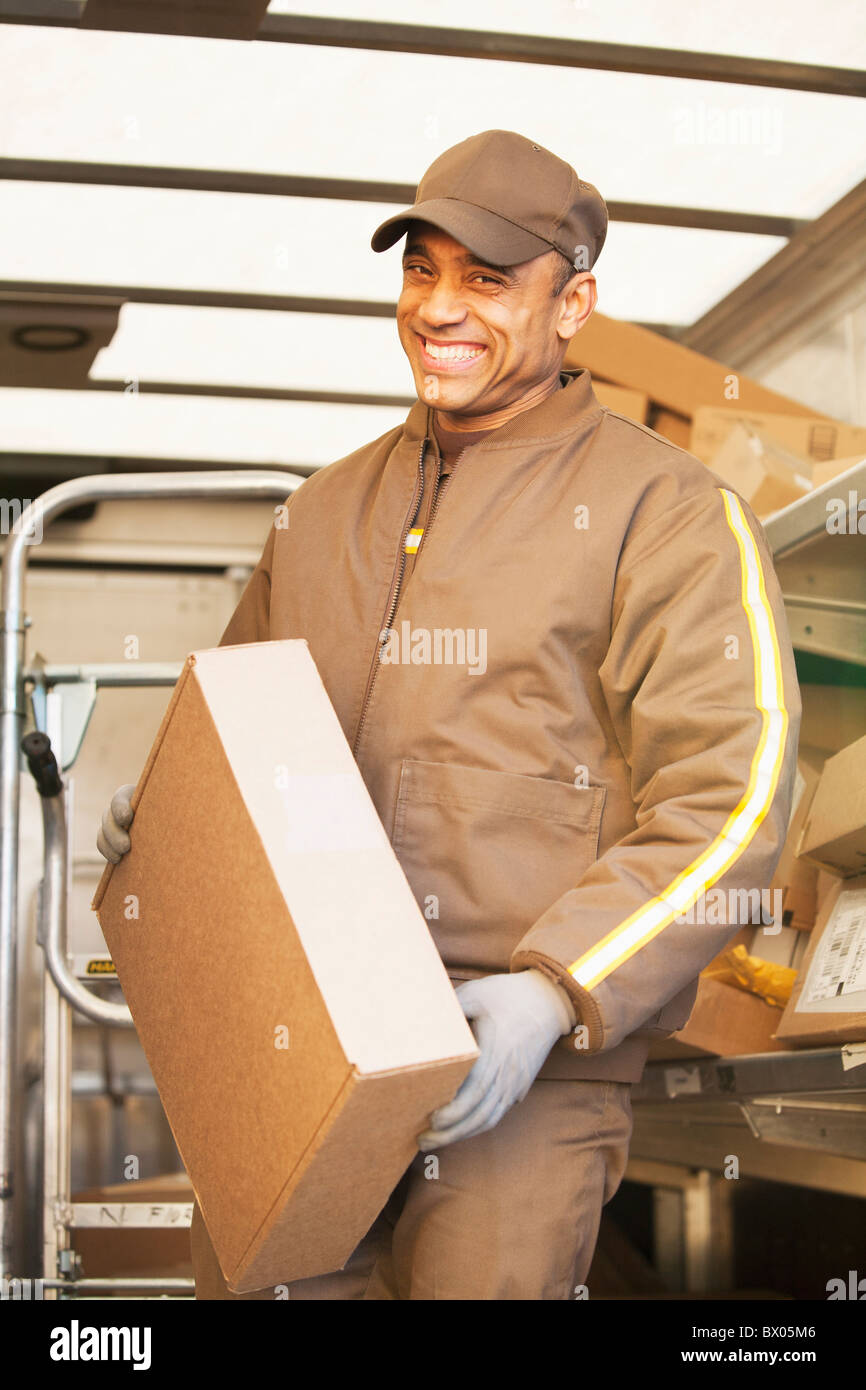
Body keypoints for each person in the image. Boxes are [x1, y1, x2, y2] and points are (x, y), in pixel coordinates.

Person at [98, 129, 800, 1300]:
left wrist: (554, 989)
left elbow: (734, 795)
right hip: (298, 1055)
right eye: (420, 270)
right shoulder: (317, 513)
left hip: (514, 1078)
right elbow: (240, 745)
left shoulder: (664, 511)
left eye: (486, 278)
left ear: (573, 303)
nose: (438, 307)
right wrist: (165, 817)